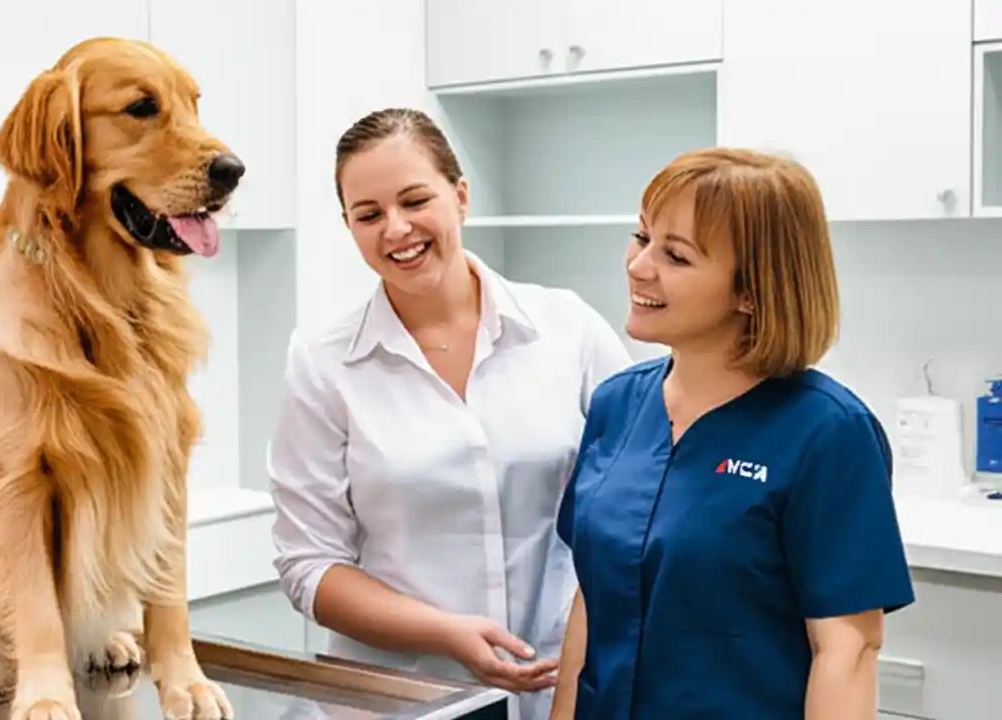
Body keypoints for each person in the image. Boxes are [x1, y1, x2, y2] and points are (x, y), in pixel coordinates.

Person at [267, 107, 632, 719]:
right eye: (369, 214)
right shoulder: (323, 362)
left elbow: (639, 494)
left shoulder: (567, 330)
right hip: (401, 700)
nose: (396, 229)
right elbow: (309, 565)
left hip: (558, 691)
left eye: (415, 200)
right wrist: (445, 632)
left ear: (460, 196)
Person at [549, 147, 916, 719]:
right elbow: (590, 603)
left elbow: (847, 649)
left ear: (752, 290)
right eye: (641, 237)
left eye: (675, 255)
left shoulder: (826, 433)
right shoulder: (617, 404)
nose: (638, 265)